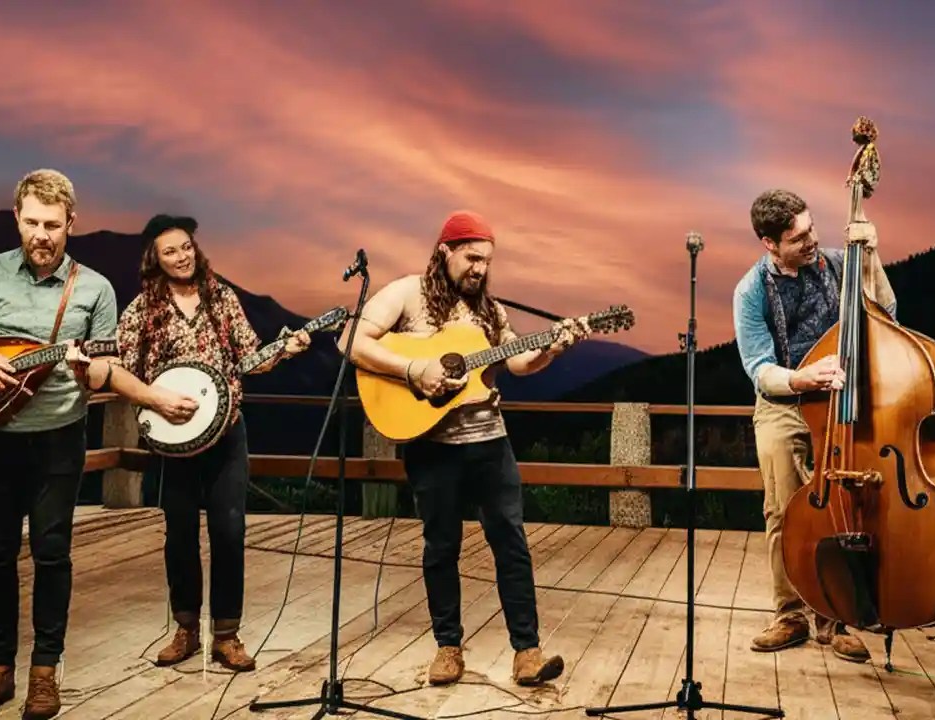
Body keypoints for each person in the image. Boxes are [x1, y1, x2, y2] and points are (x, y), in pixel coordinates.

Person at [0, 169, 199, 720]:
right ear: (16, 218)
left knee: (53, 553)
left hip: (58, 439)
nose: (41, 235)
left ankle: (45, 672)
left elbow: (104, 369)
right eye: (31, 223)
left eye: (52, 225)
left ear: (71, 222)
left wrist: (85, 368)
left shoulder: (94, 288)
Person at [337, 210, 589, 687]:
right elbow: (350, 340)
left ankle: (527, 653)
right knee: (441, 546)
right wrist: (414, 371)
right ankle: (448, 648)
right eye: (472, 258)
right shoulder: (407, 293)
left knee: (511, 544)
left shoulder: (490, 311)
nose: (480, 269)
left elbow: (518, 363)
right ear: (445, 251)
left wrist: (553, 348)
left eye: (487, 261)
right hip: (433, 446)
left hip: (490, 442)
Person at [115, 214, 311, 672]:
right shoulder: (143, 309)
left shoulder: (221, 297)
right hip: (173, 439)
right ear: (155, 259)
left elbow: (249, 357)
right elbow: (123, 367)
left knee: (229, 530)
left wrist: (283, 350)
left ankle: (226, 635)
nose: (182, 256)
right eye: (170, 251)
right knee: (180, 531)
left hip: (226, 431)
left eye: (186, 247)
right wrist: (154, 402)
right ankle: (185, 629)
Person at [732, 188, 898, 664]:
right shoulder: (750, 291)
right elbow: (759, 368)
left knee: (842, 503)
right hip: (783, 402)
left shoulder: (839, 265)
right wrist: (801, 379)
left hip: (837, 400)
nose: (811, 241)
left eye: (811, 229)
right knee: (783, 508)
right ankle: (790, 614)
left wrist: (871, 255)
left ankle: (835, 617)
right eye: (797, 238)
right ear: (770, 243)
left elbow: (886, 314)